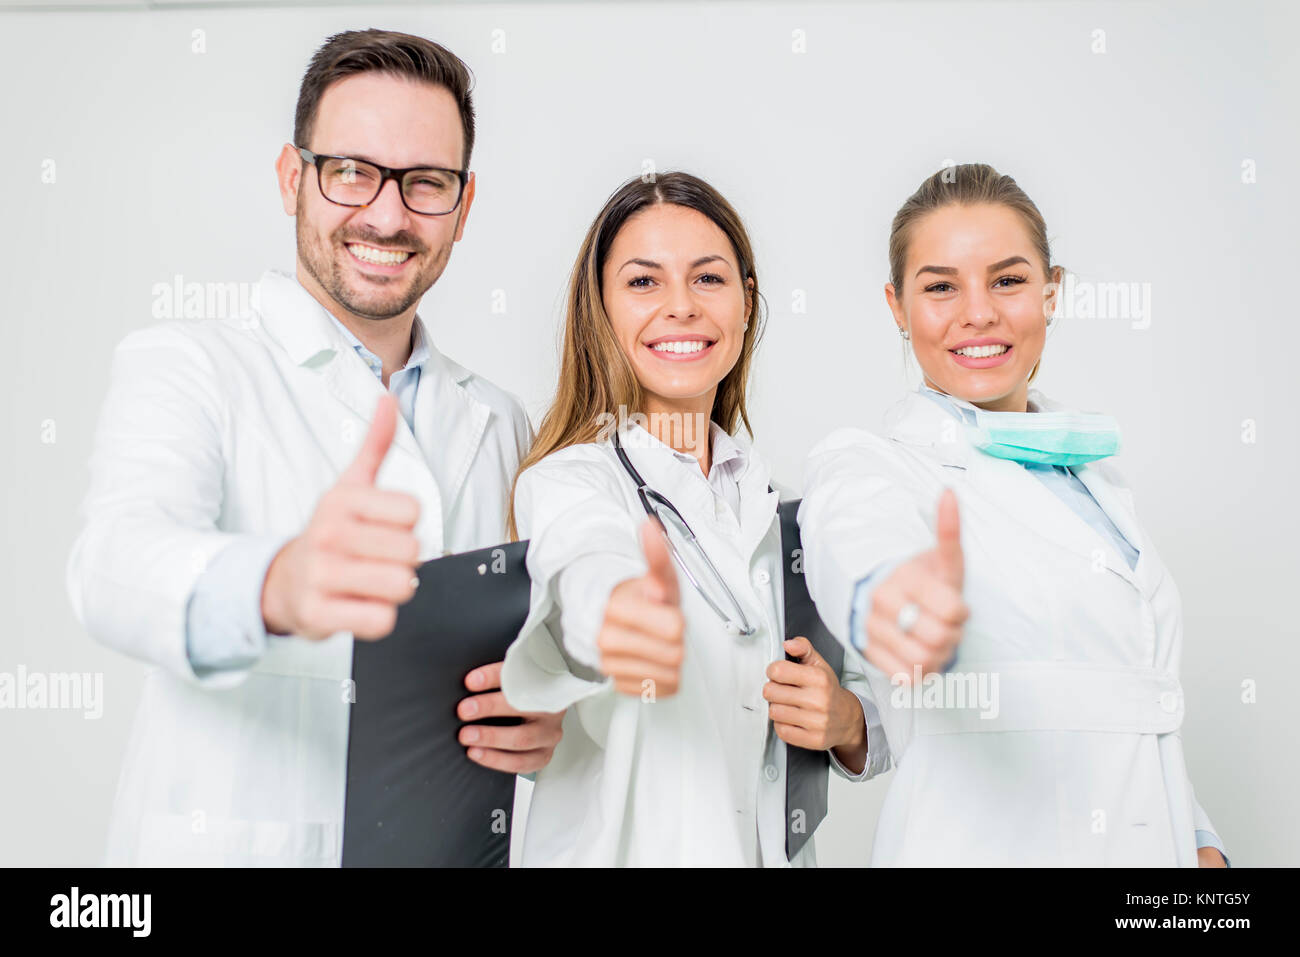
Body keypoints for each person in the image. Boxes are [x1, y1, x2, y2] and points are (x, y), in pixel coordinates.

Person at [66, 29, 562, 866]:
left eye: (426, 183)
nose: (387, 216)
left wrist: (542, 715)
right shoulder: (187, 364)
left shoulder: (500, 420)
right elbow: (110, 567)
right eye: (351, 171)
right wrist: (273, 583)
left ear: (464, 205)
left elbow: (522, 655)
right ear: (292, 179)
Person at [798, 163, 1228, 867]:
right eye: (941, 287)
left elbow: (1128, 700)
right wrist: (894, 605)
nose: (978, 313)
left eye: (1007, 280)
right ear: (897, 307)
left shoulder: (1093, 478)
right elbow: (859, 548)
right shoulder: (870, 466)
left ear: (1051, 292)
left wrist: (1202, 842)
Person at [498, 172, 889, 867]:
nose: (680, 306)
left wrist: (847, 722)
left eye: (708, 278)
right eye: (643, 282)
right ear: (600, 310)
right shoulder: (570, 483)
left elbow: (881, 708)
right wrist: (614, 613)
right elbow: (584, 562)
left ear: (746, 302)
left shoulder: (783, 509)